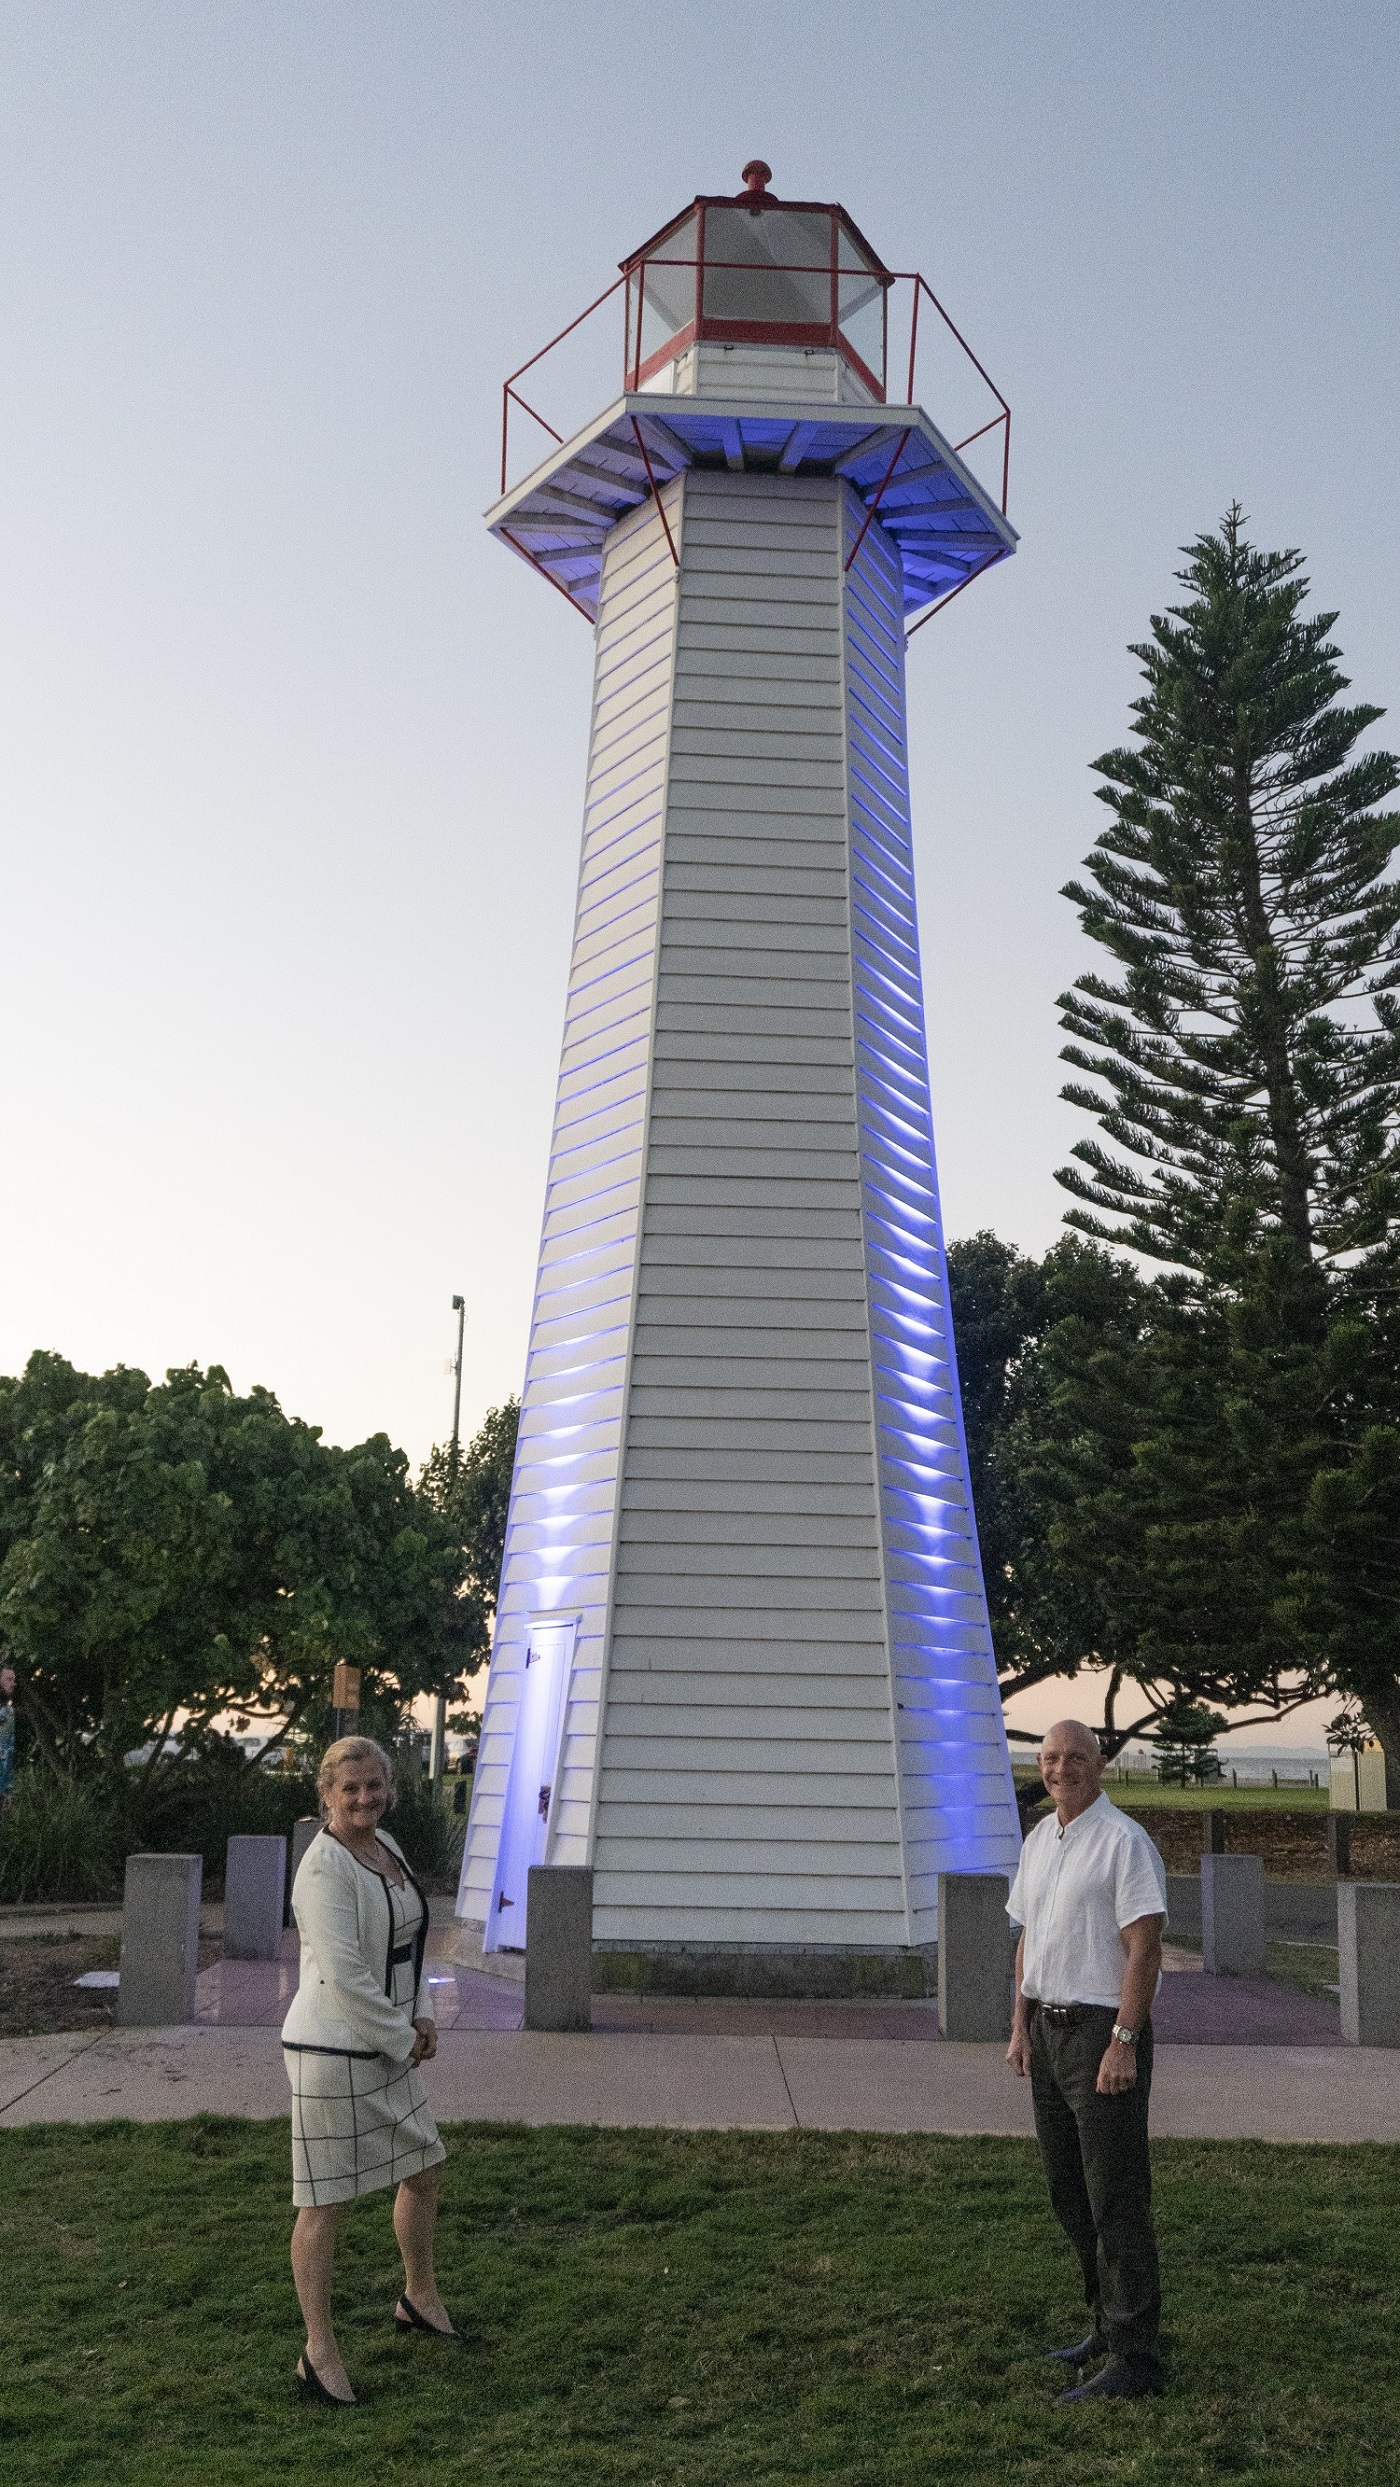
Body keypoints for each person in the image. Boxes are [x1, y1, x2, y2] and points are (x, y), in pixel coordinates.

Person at [282, 1734, 461, 2406]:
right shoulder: (322, 1870)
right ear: (327, 1793)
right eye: (349, 1787)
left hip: (389, 2043)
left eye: (374, 1785)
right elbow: (347, 1976)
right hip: (332, 2053)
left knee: (426, 2168)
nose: (363, 1798)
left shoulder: (388, 1848)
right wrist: (402, 2036)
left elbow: (408, 1946)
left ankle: (418, 2296)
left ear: (389, 1788)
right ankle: (318, 2351)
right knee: (324, 2203)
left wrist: (423, 2013)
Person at [1005, 1719, 1168, 2402]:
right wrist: (1020, 2025)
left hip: (1103, 2032)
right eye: (1050, 1757)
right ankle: (1104, 2323)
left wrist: (1123, 2040)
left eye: (1075, 1757)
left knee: (1115, 2198)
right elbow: (1029, 1940)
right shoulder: (1040, 1838)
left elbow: (1145, 1948)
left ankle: (1136, 2359)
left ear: (1099, 1764)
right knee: (1069, 2192)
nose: (1061, 1768)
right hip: (1048, 2031)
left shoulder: (1124, 1842)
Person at [0, 1663, 16, 1808]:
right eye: (8, 1679)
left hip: (3, 1788)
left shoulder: (9, 1711)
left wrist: (7, 1789)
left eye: (14, 1680)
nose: (13, 1684)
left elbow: (9, 1750)